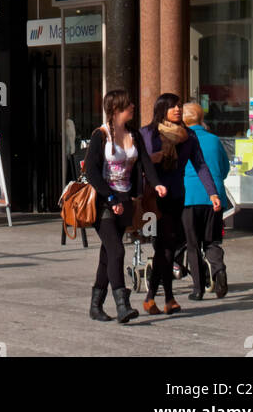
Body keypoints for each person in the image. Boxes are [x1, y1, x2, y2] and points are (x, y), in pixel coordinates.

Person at [84, 89, 164, 324]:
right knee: (117, 250)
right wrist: (110, 198)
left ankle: (95, 306)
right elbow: (91, 171)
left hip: (127, 200)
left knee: (108, 254)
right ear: (116, 109)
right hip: (104, 202)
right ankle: (122, 305)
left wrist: (157, 184)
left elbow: (145, 163)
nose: (133, 107)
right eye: (128, 104)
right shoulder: (101, 135)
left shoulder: (134, 135)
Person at [141, 93, 220, 315]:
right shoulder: (148, 134)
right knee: (164, 248)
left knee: (167, 248)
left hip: (177, 196)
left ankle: (164, 298)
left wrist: (212, 193)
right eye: (172, 106)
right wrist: (152, 158)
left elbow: (200, 165)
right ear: (161, 109)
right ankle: (162, 298)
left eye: (178, 106)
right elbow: (139, 162)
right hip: (152, 200)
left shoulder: (189, 136)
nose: (177, 109)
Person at [181, 102, 231, 301]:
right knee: (212, 241)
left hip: (189, 197)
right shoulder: (214, 140)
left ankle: (198, 288)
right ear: (201, 119)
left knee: (192, 244)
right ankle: (219, 272)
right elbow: (224, 168)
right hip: (214, 197)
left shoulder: (181, 140)